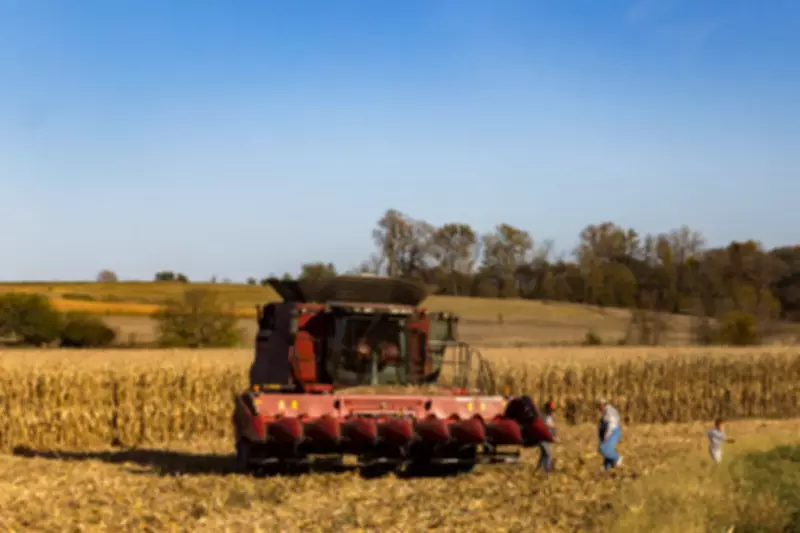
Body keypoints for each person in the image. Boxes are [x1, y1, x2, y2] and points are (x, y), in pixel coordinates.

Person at [596, 397, 623, 470]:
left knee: (604, 449)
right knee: (605, 449)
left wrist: (607, 434)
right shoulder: (606, 411)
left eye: (599, 405)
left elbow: (612, 423)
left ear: (602, 405)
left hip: (613, 431)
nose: (598, 408)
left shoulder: (609, 411)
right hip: (612, 431)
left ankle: (617, 458)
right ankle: (607, 466)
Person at [537, 400, 558, 473]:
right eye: (550, 409)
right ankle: (547, 471)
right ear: (547, 408)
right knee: (548, 455)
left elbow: (554, 428)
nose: (552, 411)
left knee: (543, 455)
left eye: (553, 409)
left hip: (547, 439)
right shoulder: (542, 416)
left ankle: (537, 469)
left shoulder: (551, 417)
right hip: (542, 438)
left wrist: (555, 436)